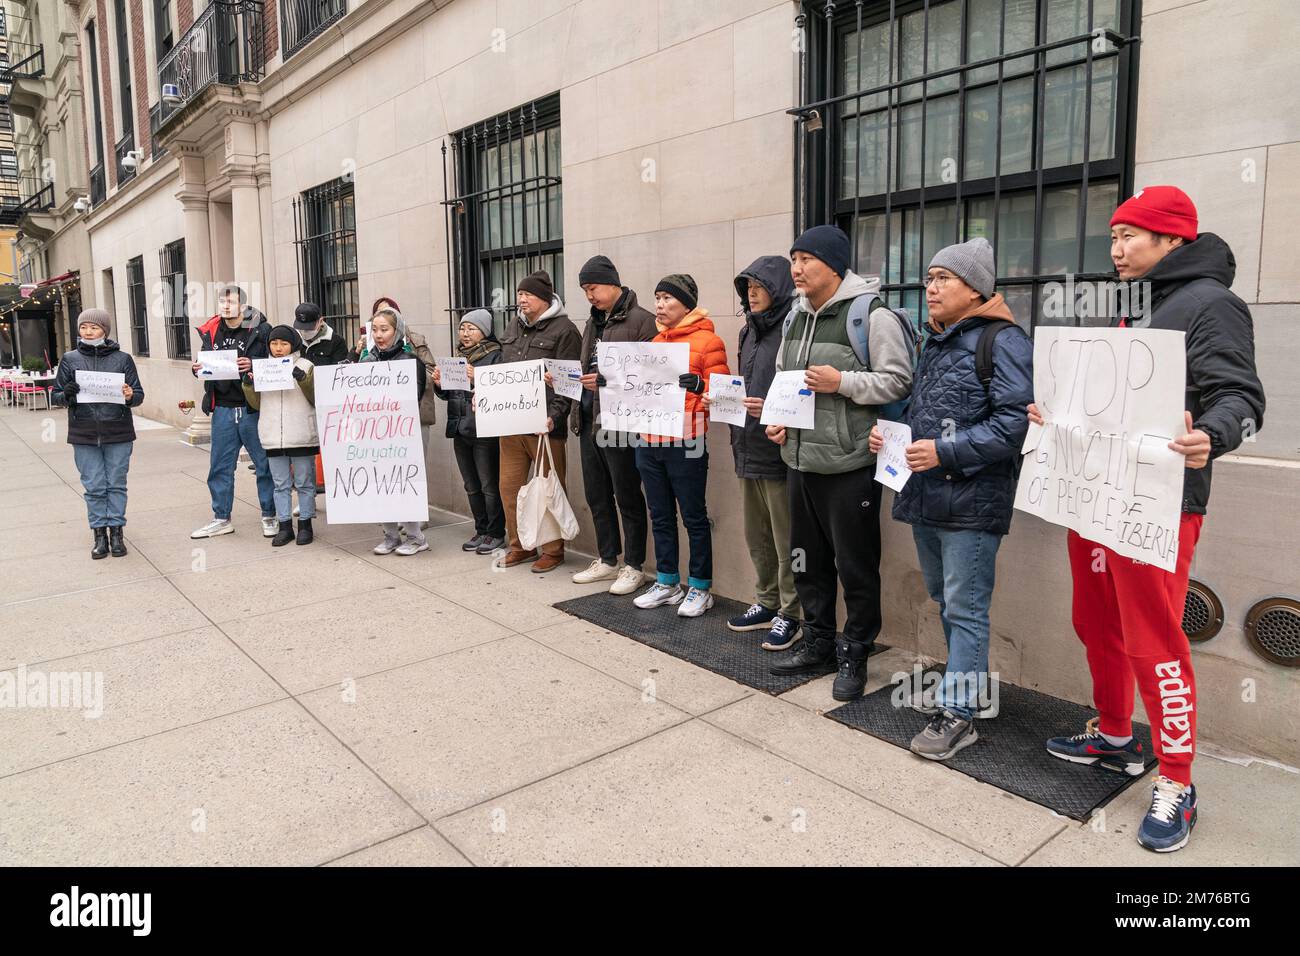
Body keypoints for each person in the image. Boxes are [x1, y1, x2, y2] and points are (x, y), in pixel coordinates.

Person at [1034, 186, 1265, 852]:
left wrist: (1214, 434)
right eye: (1113, 237)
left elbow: (1241, 396)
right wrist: (1057, 415)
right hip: (1096, 496)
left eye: (1129, 235)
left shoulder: (1212, 304)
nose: (1116, 249)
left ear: (1173, 240)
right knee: (1095, 621)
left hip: (1157, 505)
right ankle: (1112, 733)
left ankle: (1178, 778)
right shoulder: (1134, 305)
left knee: (1153, 640)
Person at [868, 238, 1033, 760]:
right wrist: (891, 435)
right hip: (927, 496)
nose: (930, 288)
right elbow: (927, 413)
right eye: (929, 278)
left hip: (973, 502)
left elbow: (1013, 427)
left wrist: (946, 451)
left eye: (943, 278)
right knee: (948, 599)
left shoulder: (1004, 342)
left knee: (965, 606)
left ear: (975, 288)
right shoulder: (937, 340)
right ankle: (968, 692)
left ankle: (959, 710)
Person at [765, 226, 913, 701]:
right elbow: (784, 380)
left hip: (851, 464)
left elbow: (898, 382)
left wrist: (843, 382)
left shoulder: (870, 315)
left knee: (856, 565)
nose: (797, 268)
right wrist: (779, 422)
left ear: (834, 264)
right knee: (806, 563)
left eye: (807, 259)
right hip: (799, 460)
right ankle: (819, 641)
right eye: (794, 259)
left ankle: (856, 651)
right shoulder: (794, 317)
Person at [632, 274, 729, 618]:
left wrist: (702, 386)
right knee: (660, 515)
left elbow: (724, 397)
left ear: (686, 303)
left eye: (667, 299)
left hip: (687, 441)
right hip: (649, 440)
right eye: (657, 298)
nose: (659, 305)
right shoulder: (655, 342)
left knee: (694, 517)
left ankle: (700, 587)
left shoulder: (708, 342)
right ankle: (667, 581)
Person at [720, 256, 803, 650]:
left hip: (778, 449)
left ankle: (792, 612)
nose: (751, 295)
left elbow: (800, 390)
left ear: (779, 288)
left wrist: (769, 407)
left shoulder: (794, 328)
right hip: (746, 445)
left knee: (787, 539)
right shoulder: (746, 332)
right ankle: (766, 600)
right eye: (747, 289)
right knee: (757, 536)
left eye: (758, 288)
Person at [568, 255, 657, 595]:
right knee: (597, 494)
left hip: (621, 422)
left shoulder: (642, 321)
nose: (589, 295)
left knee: (627, 495)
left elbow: (652, 377)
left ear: (612, 282)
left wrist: (609, 382)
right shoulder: (592, 321)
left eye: (592, 288)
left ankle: (634, 565)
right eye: (584, 290)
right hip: (589, 416)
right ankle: (607, 558)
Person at [496, 270, 582, 573]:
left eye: (527, 294)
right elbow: (502, 372)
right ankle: (519, 545)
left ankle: (553, 549)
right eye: (519, 294)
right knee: (509, 488)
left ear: (544, 298)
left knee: (548, 489)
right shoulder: (513, 326)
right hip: (511, 424)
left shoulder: (565, 330)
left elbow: (570, 380)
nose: (520, 299)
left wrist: (553, 416)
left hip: (545, 427)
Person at [51, 309, 145, 559]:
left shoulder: (122, 359)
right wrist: (67, 394)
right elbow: (56, 395)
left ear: (105, 330)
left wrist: (129, 395)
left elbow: (138, 395)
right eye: (84, 327)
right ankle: (99, 535)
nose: (88, 331)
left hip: (118, 430)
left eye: (94, 327)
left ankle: (116, 533)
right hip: (84, 431)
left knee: (116, 484)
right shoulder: (69, 359)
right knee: (93, 486)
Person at [191, 285, 276, 539]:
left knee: (264, 465)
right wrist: (198, 368)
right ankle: (221, 518)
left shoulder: (261, 330)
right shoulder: (212, 331)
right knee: (220, 467)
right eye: (222, 301)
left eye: (231, 301)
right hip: (223, 409)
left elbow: (279, 362)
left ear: (242, 305)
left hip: (253, 408)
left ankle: (270, 515)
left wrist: (254, 364)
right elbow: (205, 364)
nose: (226, 305)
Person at [433, 308, 506, 554]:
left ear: (484, 331)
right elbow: (450, 395)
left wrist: (478, 378)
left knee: (489, 485)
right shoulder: (458, 357)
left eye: (471, 328)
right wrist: (440, 385)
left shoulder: (496, 356)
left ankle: (496, 533)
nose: (465, 333)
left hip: (484, 431)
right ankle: (481, 529)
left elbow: (502, 393)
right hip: (459, 428)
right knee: (471, 485)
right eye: (462, 328)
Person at [359, 306, 429, 556]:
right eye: (375, 330)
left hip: (401, 435)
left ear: (397, 331)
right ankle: (390, 536)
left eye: (384, 330)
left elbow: (414, 397)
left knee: (403, 484)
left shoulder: (411, 362)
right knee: (380, 485)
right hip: (374, 435)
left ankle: (415, 537)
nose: (379, 335)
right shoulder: (367, 361)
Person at [242, 325, 319, 547]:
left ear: (293, 345)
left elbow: (316, 398)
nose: (278, 348)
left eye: (283, 344)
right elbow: (256, 403)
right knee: (280, 484)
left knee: (304, 482)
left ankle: (306, 524)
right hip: (273, 433)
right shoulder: (263, 368)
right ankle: (285, 526)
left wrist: (303, 380)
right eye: (274, 344)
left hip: (301, 433)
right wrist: (248, 386)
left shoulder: (307, 366)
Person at [293, 302, 348, 366]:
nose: (305, 331)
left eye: (309, 328)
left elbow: (338, 370)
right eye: (301, 327)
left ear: (321, 321)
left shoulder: (336, 342)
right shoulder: (293, 339)